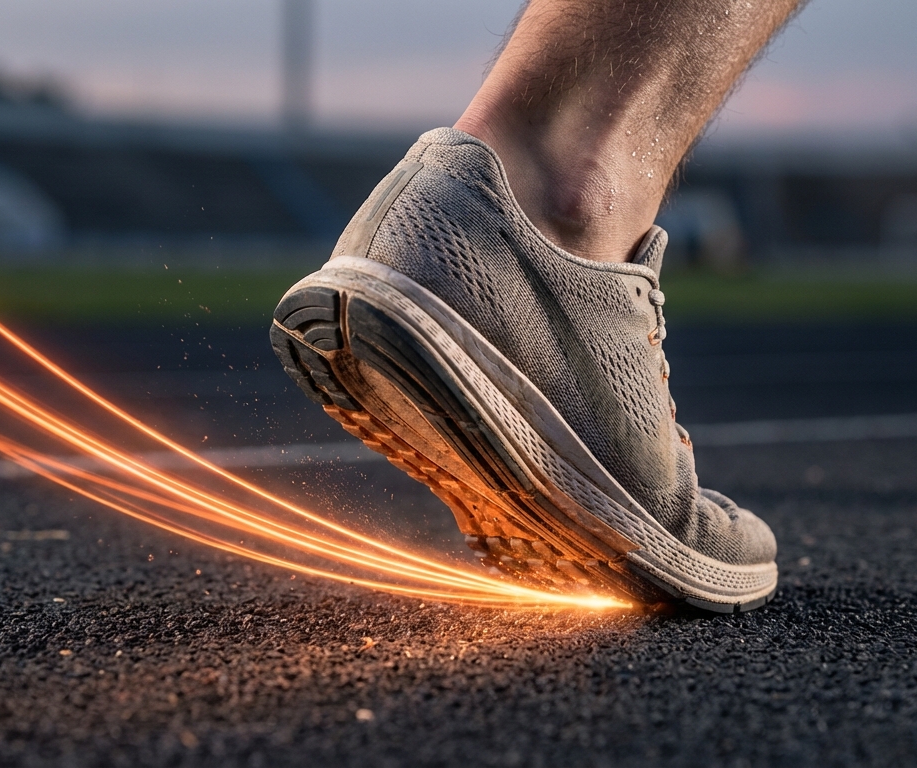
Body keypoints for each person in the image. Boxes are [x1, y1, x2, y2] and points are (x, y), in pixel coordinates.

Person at [272, 0, 804, 612]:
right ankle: (570, 197)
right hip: (524, 226)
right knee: (575, 170)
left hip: (438, 217)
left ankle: (470, 198)